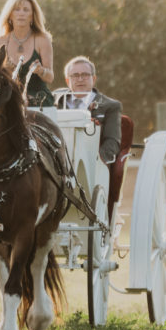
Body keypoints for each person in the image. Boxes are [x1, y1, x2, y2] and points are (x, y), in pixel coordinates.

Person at [53, 56, 132, 218]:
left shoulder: (110, 106)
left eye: (85, 75)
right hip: (56, 160)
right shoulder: (53, 100)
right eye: (75, 75)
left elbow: (112, 142)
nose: (80, 79)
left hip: (91, 162)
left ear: (93, 79)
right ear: (67, 80)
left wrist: (97, 161)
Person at [0, 0, 55, 107]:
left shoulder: (42, 39)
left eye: (26, 10)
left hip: (39, 102)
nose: (21, 13)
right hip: (8, 102)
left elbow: (50, 78)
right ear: (10, 14)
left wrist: (41, 71)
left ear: (32, 15)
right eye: (17, 9)